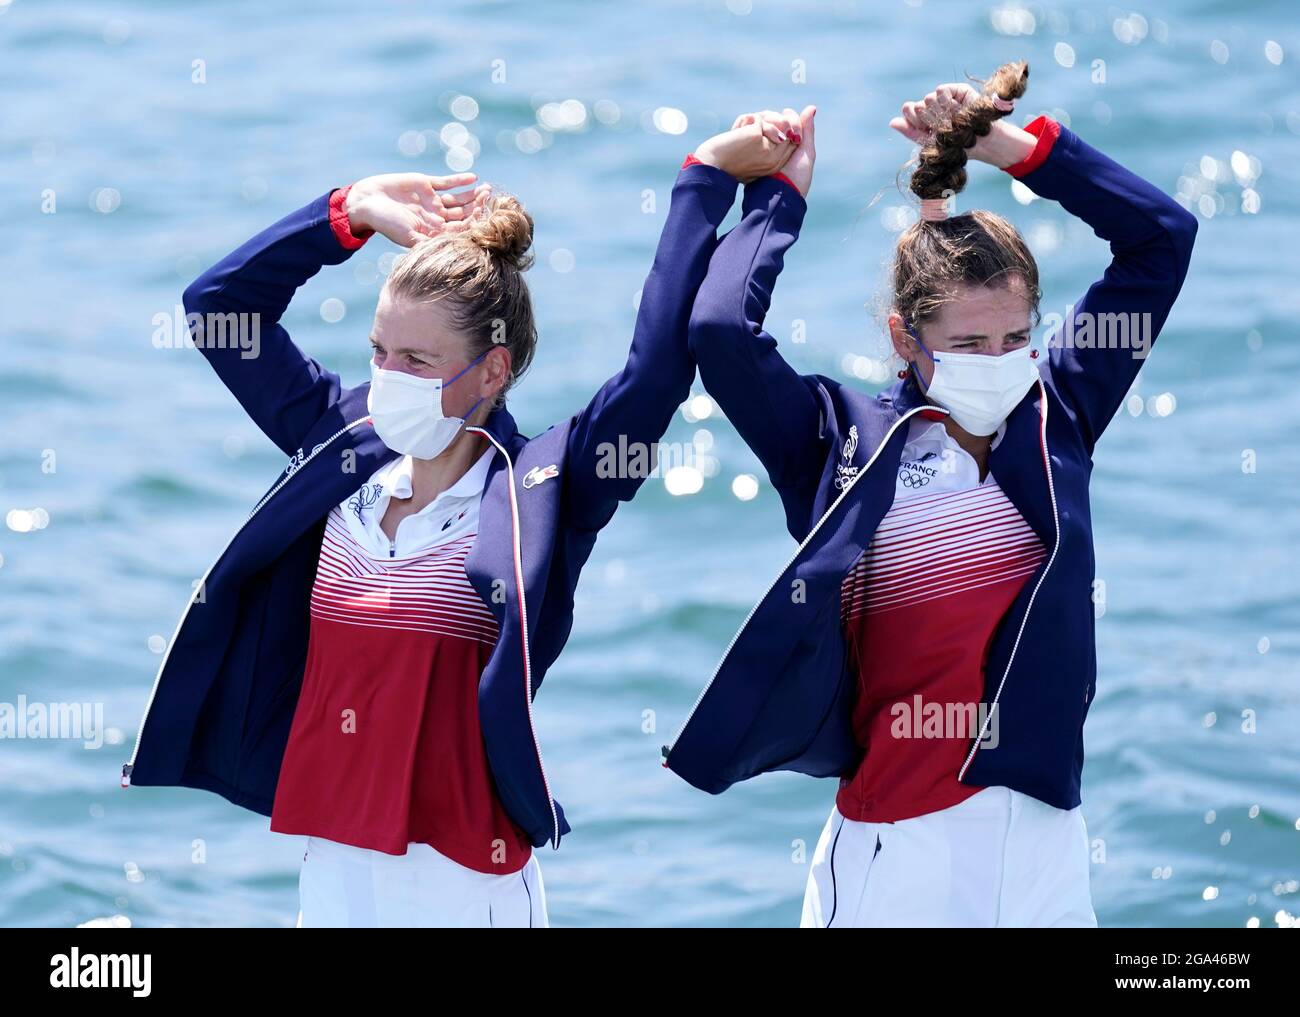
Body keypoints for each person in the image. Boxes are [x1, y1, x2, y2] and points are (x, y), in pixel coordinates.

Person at [123, 125, 795, 926]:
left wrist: (707, 181)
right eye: (378, 351)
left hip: (467, 890)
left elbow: (655, 370)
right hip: (329, 878)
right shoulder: (339, 447)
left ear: (494, 369)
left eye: (416, 360)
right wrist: (350, 211)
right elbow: (219, 308)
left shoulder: (547, 489)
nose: (385, 378)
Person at [663, 61, 1198, 927]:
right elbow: (720, 332)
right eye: (971, 341)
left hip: (1045, 847)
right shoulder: (837, 442)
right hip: (894, 855)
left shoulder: (1058, 412)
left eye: (1018, 336)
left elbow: (1162, 236)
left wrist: (1008, 151)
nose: (1000, 361)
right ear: (904, 340)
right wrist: (769, 196)